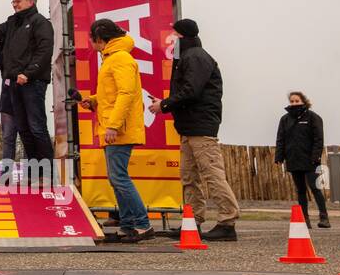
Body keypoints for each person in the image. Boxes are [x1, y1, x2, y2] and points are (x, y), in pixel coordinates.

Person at [147, 18, 239, 241]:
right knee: (189, 177)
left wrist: (165, 105)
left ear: (184, 36)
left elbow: (191, 91)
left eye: (175, 35)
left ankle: (228, 222)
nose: (172, 39)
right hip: (189, 127)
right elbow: (188, 92)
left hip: (201, 126)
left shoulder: (196, 57)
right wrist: (166, 101)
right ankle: (192, 221)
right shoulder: (189, 56)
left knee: (212, 175)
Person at [77, 19, 152, 242]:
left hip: (119, 130)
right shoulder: (112, 58)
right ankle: (128, 224)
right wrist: (93, 101)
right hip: (115, 127)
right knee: (116, 177)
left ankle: (142, 224)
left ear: (100, 39)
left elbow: (126, 94)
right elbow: (111, 95)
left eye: (92, 39)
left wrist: (113, 125)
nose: (91, 43)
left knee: (119, 177)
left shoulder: (119, 58)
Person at [0, 0, 54, 179]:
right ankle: (33, 170)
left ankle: (47, 171)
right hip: (14, 83)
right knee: (24, 129)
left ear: (30, 2)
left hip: (32, 82)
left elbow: (44, 51)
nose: (15, 4)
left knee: (37, 127)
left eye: (18, 1)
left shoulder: (40, 23)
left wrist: (29, 73)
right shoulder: (12, 22)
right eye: (13, 2)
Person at [276, 91, 328, 229]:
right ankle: (305, 220)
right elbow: (280, 139)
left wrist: (315, 157)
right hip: (293, 159)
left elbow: (318, 139)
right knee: (300, 191)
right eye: (292, 101)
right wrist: (279, 156)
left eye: (297, 101)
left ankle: (324, 218)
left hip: (310, 160)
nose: (294, 103)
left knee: (315, 188)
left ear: (303, 101)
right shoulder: (285, 119)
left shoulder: (313, 118)